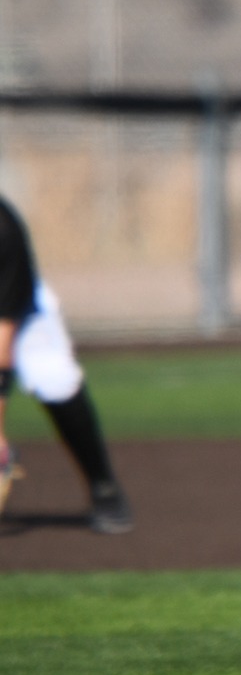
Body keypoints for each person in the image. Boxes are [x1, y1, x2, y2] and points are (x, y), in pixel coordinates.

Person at [0, 193, 133, 534]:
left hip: (18, 313)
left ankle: (104, 488)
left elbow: (3, 343)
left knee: (54, 377)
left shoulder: (3, 229)